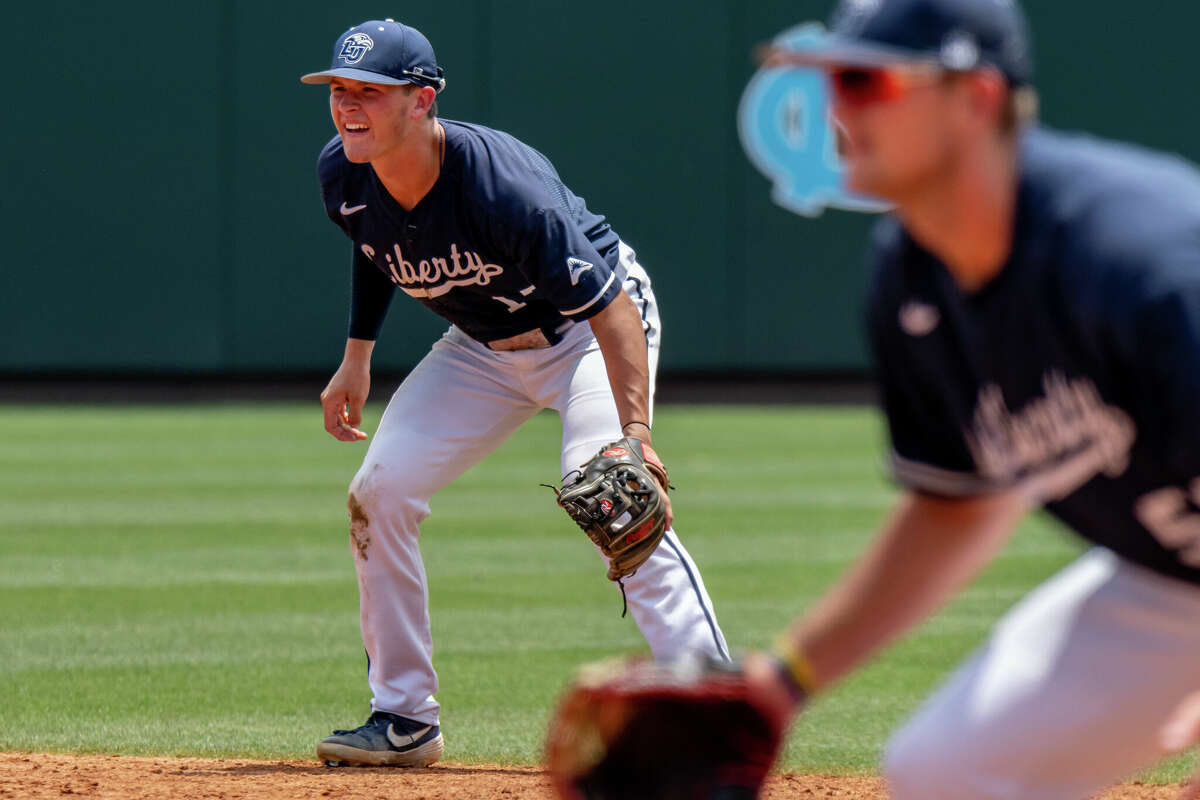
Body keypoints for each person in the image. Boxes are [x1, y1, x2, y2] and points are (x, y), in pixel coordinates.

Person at [747, 0, 1200, 797]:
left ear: (977, 97)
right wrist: (780, 683)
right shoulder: (913, 275)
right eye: (826, 82)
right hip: (1171, 579)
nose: (836, 109)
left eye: (863, 80)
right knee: (945, 770)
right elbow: (956, 502)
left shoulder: (1141, 262)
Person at [297, 19, 728, 768]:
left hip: (586, 334)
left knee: (615, 499)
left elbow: (613, 309)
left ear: (422, 99)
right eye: (339, 89)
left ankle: (714, 712)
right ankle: (404, 718)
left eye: (370, 91)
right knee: (380, 491)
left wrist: (637, 433)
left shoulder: (504, 187)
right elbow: (376, 246)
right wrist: (356, 357)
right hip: (482, 348)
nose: (348, 105)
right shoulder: (344, 172)